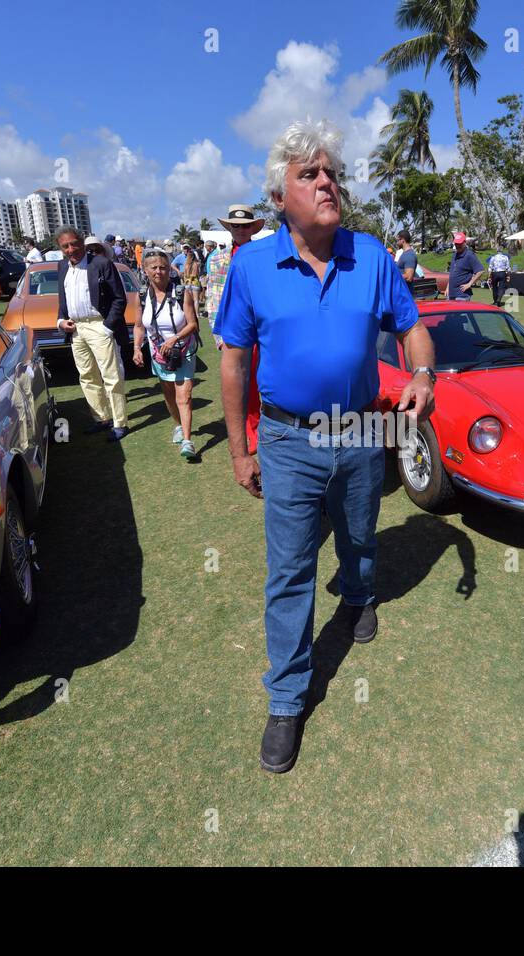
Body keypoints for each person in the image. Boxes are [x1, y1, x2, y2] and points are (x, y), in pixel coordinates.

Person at [214, 119, 436, 774]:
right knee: (289, 569)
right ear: (280, 197)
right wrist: (239, 449)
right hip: (285, 437)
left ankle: (360, 597)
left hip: (365, 429)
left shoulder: (369, 257)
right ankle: (287, 700)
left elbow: (413, 330)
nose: (325, 182)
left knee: (360, 535)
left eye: (331, 172)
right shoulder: (252, 265)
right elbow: (232, 361)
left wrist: (423, 374)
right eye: (308, 174)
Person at [53, 228, 130, 441]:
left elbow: (119, 299)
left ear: (82, 243)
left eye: (74, 244)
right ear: (61, 249)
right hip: (76, 329)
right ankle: (102, 418)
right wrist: (61, 320)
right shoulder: (61, 267)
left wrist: (107, 327)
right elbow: (63, 299)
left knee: (111, 376)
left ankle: (120, 423)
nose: (71, 249)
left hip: (99, 326)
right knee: (87, 376)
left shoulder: (101, 263)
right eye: (65, 246)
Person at [135, 249, 200, 459]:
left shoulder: (182, 293)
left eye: (163, 267)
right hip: (158, 353)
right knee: (169, 395)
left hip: (183, 350)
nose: (158, 271)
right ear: (145, 270)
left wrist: (174, 339)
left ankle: (188, 442)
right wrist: (137, 347)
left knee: (185, 395)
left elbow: (193, 324)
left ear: (168, 269)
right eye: (153, 267)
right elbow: (138, 325)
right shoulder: (142, 296)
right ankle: (178, 425)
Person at [205, 203, 265, 346]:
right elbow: (213, 298)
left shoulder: (264, 256)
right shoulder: (217, 259)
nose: (240, 230)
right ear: (230, 228)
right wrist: (218, 337)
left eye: (245, 225)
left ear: (252, 228)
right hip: (231, 329)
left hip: (260, 327)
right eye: (235, 225)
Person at [448, 231, 483, 301]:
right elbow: (452, 273)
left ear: (465, 242)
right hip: (451, 294)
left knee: (460, 312)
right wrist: (447, 288)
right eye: (456, 243)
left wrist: (469, 284)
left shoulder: (469, 255)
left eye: (459, 244)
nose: (457, 245)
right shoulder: (454, 255)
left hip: (462, 295)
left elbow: (480, 271)